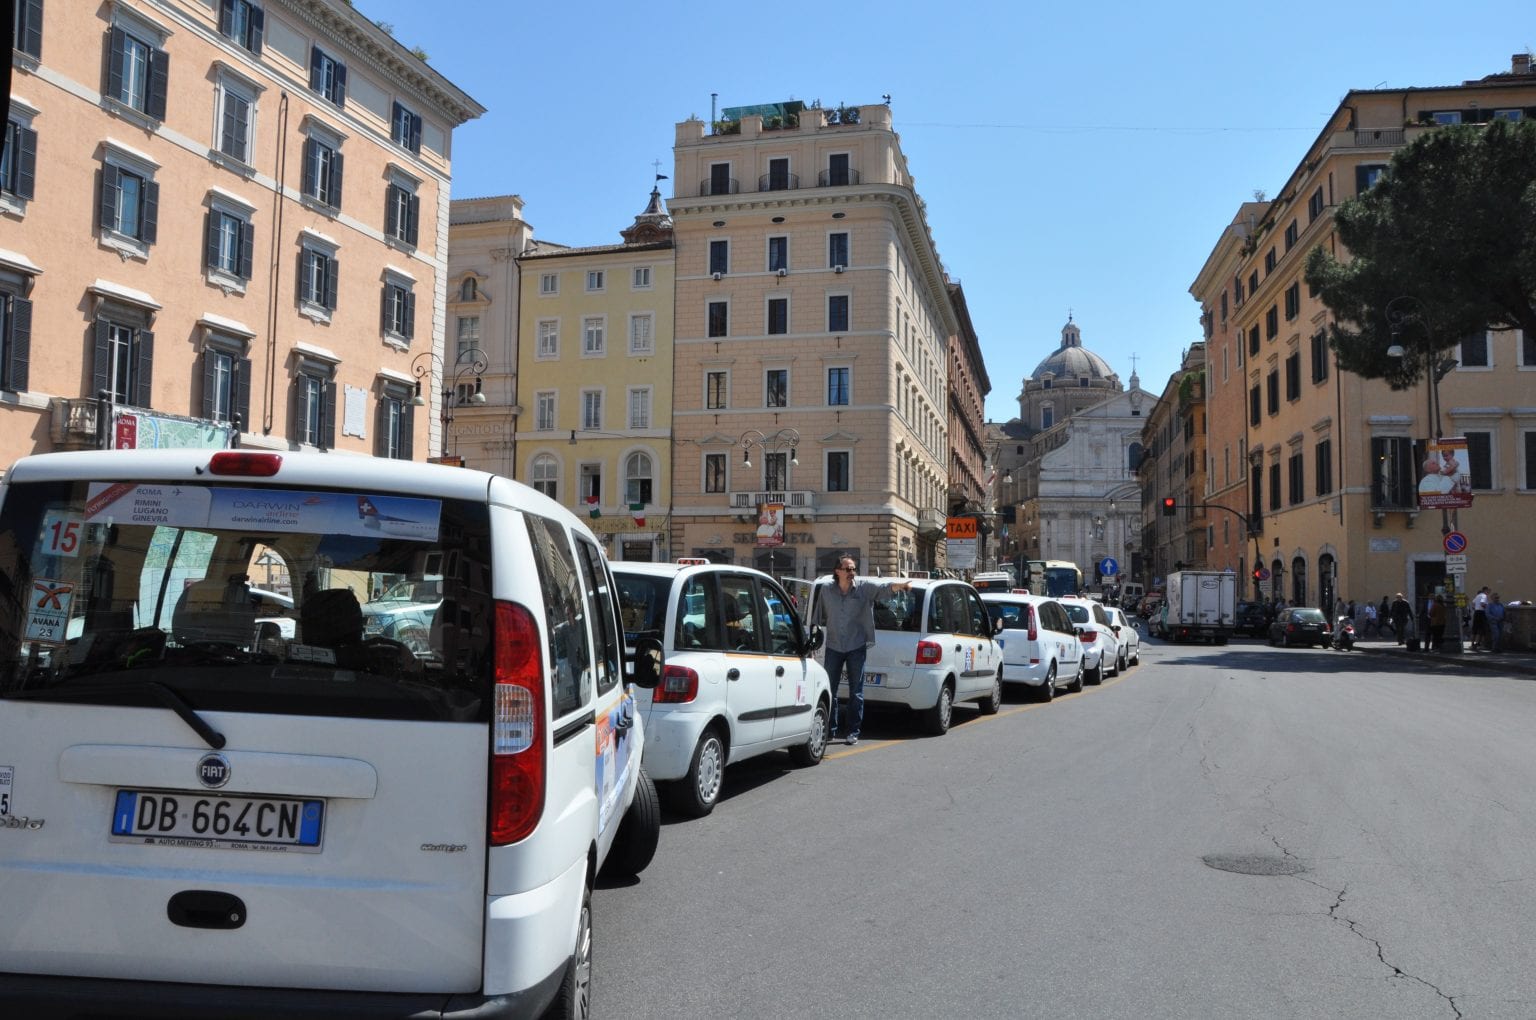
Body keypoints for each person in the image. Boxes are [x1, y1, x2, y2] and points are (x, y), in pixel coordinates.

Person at [815, 556, 910, 746]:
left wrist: (899, 586)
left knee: (856, 692)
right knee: (829, 690)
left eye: (853, 569)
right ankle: (831, 730)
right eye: (848, 569)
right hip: (833, 646)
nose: (852, 573)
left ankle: (853, 731)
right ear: (838, 571)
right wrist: (813, 642)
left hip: (856, 646)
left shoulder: (864, 588)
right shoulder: (826, 590)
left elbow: (883, 590)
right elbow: (816, 618)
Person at [1471, 586, 1490, 650]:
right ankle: (1480, 644)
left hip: (1476, 612)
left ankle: (1472, 644)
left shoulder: (1478, 595)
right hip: (1481, 613)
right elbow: (1482, 603)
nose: (1488, 592)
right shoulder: (1484, 596)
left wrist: (1475, 608)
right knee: (1482, 629)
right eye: (1488, 590)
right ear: (1485, 590)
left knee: (1474, 629)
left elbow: (1473, 602)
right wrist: (1487, 607)